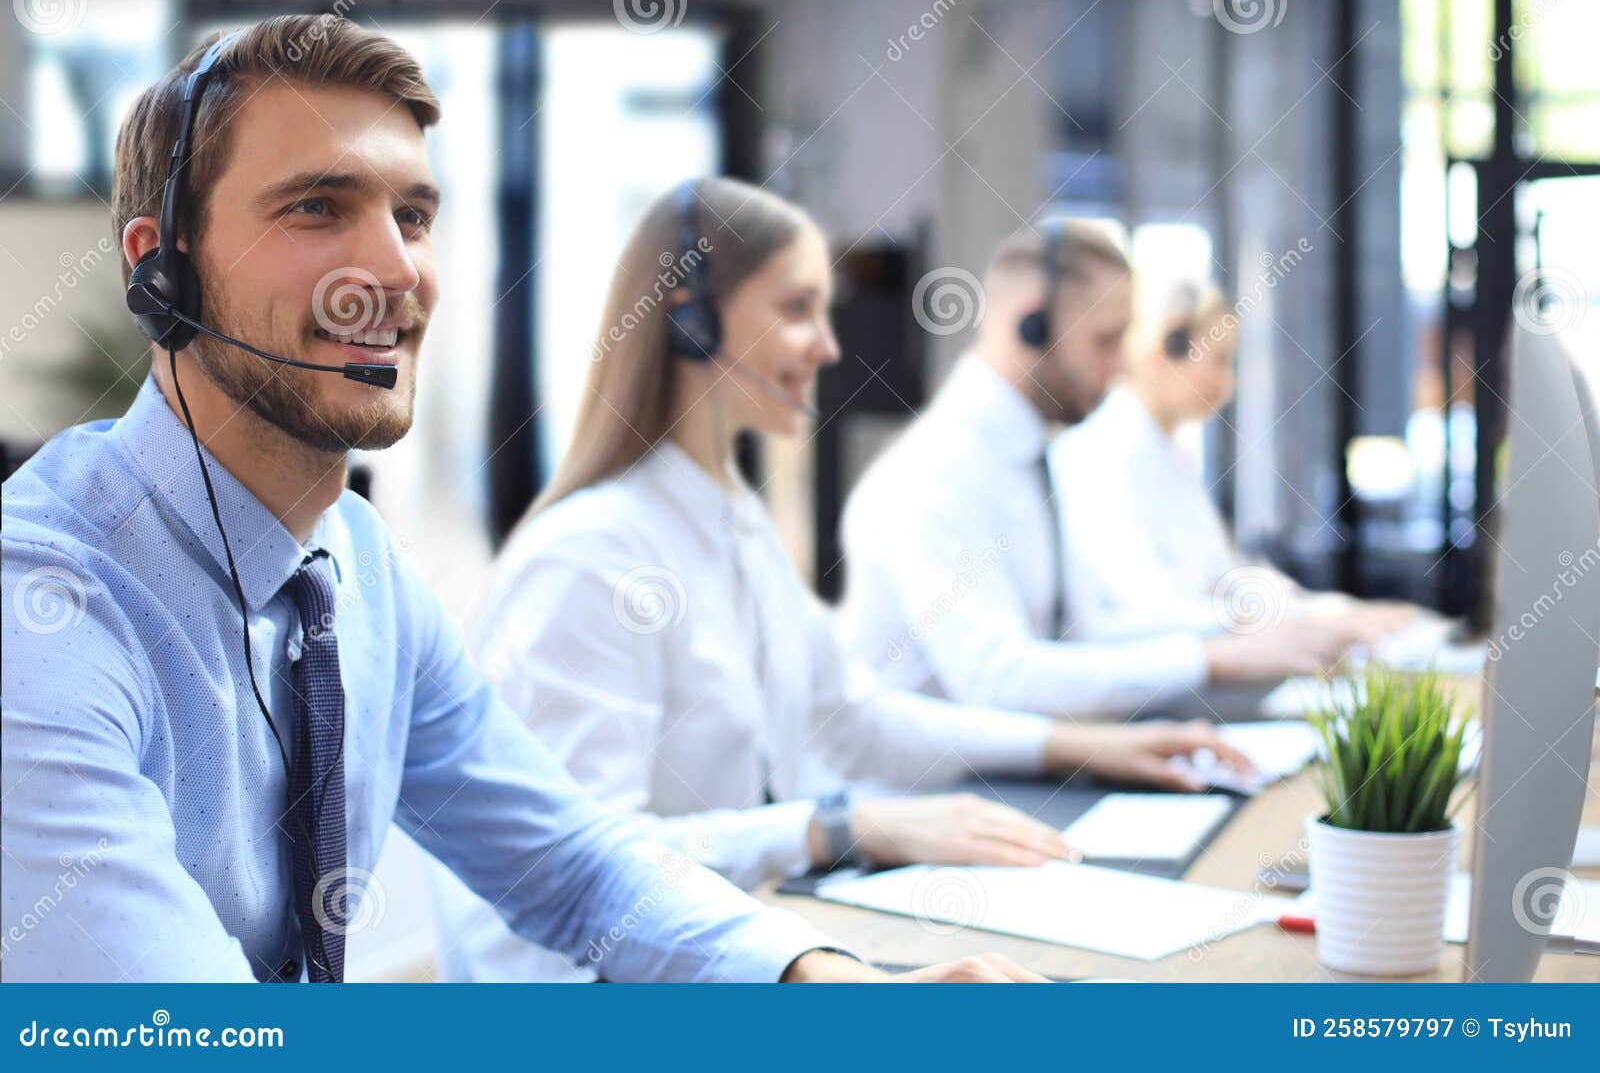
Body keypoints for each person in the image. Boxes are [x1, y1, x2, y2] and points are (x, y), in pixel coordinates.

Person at [0, 16, 1039, 984]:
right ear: (160, 270)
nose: (392, 269)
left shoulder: (356, 566)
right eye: (317, 206)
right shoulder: (43, 609)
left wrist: (821, 980)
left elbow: (570, 857)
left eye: (413, 214)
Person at [433, 179, 1251, 982]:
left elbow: (851, 715)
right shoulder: (587, 558)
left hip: (740, 946)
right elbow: (589, 870)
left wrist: (1085, 746)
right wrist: (837, 824)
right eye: (796, 310)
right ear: (690, 322)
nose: (828, 345)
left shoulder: (733, 521)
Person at [838, 221, 1354, 720]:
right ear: (1031, 325)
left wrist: (1273, 635)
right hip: (917, 797)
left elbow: (1089, 628)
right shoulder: (939, 468)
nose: (1123, 366)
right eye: (1106, 341)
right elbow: (994, 678)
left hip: (1001, 780)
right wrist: (1210, 658)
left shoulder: (1031, 457)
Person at [1053, 276, 1415, 646]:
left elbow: (1227, 576)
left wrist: (1328, 610)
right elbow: (1152, 610)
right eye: (1219, 360)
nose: (1227, 381)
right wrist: (1299, 620)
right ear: (1165, 349)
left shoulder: (1172, 455)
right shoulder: (1096, 455)